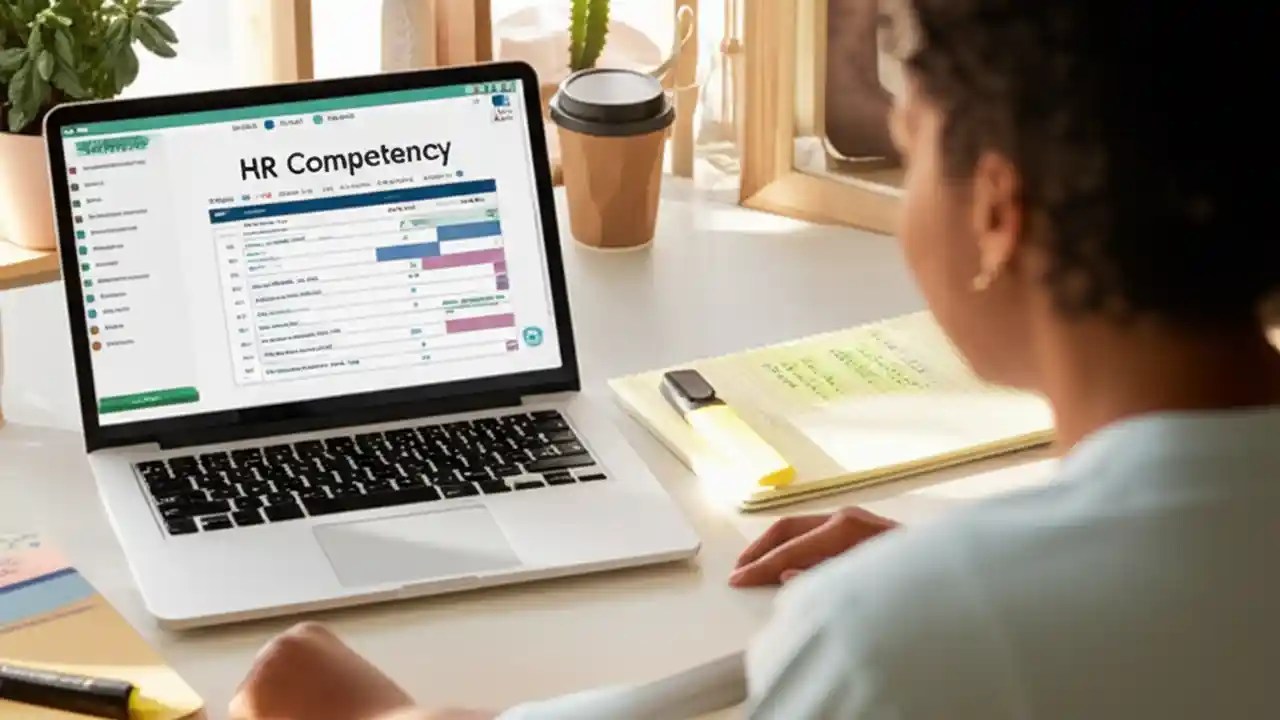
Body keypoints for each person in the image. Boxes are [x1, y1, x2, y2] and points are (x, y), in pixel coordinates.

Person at [229, 0, 1280, 717]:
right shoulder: (940, 627)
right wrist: (976, 579)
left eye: (912, 146)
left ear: (998, 212)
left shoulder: (901, 646)